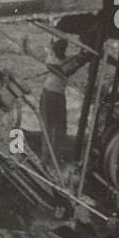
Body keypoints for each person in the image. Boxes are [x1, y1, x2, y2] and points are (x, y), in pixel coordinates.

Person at [39, 38, 79, 168]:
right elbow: (53, 67)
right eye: (57, 48)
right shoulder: (52, 59)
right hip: (49, 94)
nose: (58, 51)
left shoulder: (68, 60)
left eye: (61, 48)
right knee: (49, 126)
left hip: (59, 95)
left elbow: (72, 67)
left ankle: (56, 156)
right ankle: (45, 159)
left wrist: (83, 58)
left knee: (61, 127)